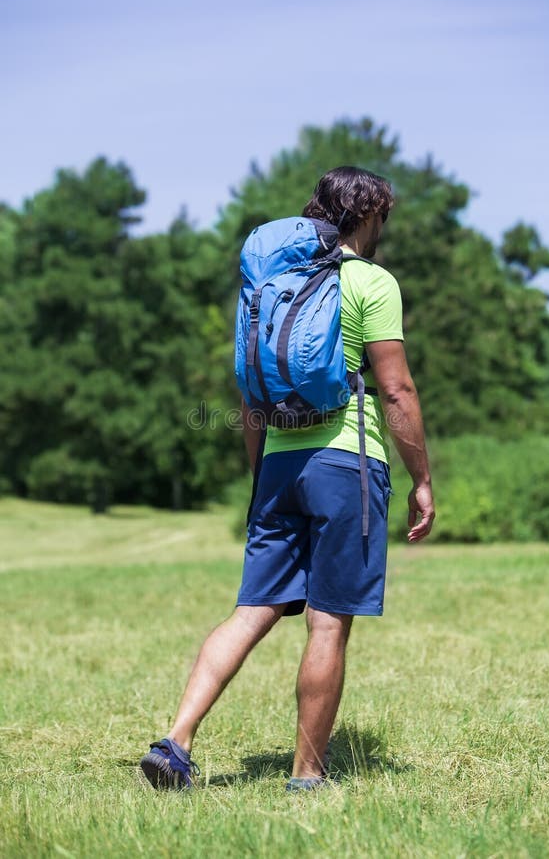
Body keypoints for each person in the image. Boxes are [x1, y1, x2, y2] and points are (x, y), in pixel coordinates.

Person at [140, 166, 435, 792]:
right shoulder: (370, 282)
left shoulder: (269, 283)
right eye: (386, 216)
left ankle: (177, 741)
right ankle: (306, 777)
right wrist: (423, 479)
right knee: (327, 622)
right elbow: (396, 389)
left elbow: (250, 393)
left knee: (251, 611)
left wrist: (263, 475)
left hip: (278, 462)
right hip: (346, 463)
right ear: (372, 214)